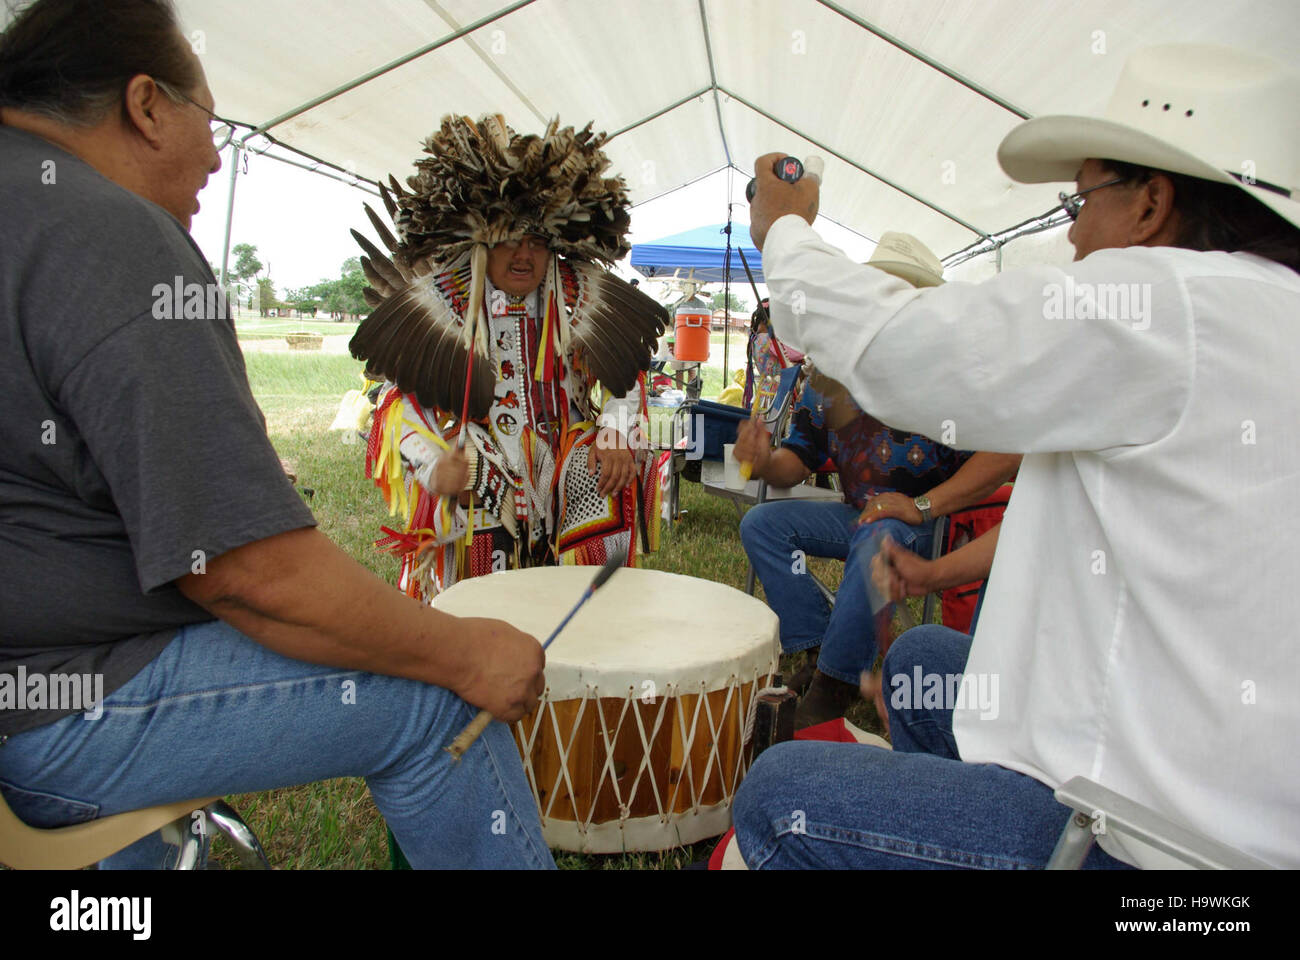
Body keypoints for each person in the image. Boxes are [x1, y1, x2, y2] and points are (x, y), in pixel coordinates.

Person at [0, 0, 551, 869]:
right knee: (435, 697)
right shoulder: (106, 231)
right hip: (56, 708)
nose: (219, 155)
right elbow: (251, 576)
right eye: (208, 121)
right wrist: (461, 650)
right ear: (146, 105)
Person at [735, 43, 1300, 868]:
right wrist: (928, 573)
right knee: (925, 659)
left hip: (1146, 847)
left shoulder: (1172, 305)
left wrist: (785, 224)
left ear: (1152, 204)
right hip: (1203, 783)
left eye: (1081, 201)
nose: (1070, 234)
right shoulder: (1258, 314)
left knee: (778, 797)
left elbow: (899, 344)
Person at [349, 115, 667, 597]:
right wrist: (434, 462)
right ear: (482, 242)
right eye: (508, 239)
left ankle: (593, 625)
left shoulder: (577, 290)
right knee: (477, 498)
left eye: (537, 242)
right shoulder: (444, 300)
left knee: (602, 472)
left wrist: (616, 430)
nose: (524, 255)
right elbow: (399, 405)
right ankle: (477, 648)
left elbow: (628, 375)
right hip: (484, 472)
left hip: (566, 464)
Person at [734, 235, 1020, 728]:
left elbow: (1006, 452)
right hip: (860, 515)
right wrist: (762, 461)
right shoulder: (835, 373)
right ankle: (819, 646)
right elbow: (796, 463)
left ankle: (836, 683)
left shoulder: (949, 373)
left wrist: (923, 505)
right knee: (762, 524)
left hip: (926, 526)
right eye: (882, 293)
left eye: (904, 297)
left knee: (879, 534)